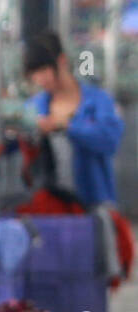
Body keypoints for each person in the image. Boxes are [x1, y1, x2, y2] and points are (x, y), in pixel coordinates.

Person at [23, 30, 124, 207]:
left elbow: (109, 141)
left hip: (94, 205)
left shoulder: (98, 100)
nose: (39, 79)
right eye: (34, 73)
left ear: (61, 61)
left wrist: (66, 126)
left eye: (43, 70)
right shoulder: (34, 107)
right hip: (51, 208)